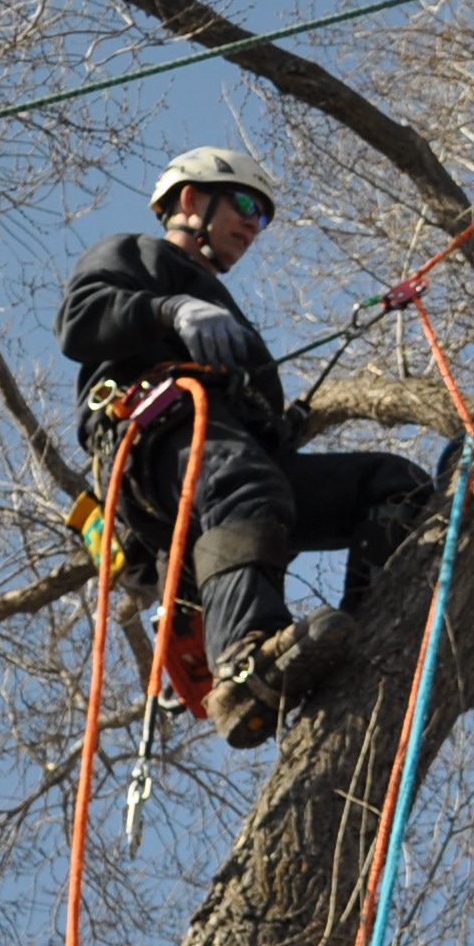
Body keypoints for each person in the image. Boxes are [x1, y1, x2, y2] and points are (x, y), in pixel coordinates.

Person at [58, 147, 435, 748]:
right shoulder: (138, 255)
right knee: (246, 482)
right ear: (190, 201)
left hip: (230, 461)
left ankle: (363, 635)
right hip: (154, 444)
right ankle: (240, 667)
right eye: (244, 203)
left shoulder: (228, 317)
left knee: (393, 484)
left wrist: (275, 422)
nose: (254, 224)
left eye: (262, 215)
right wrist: (168, 307)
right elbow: (79, 319)